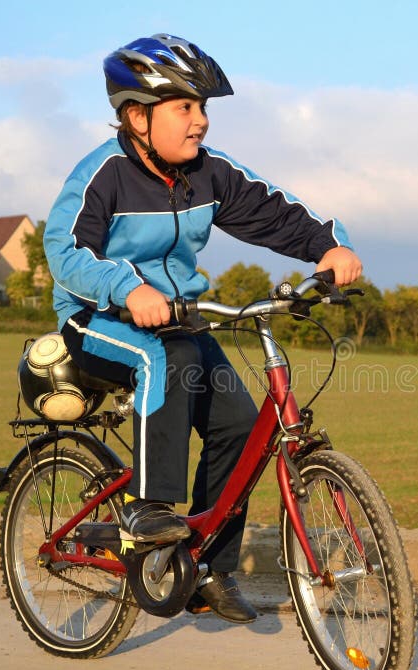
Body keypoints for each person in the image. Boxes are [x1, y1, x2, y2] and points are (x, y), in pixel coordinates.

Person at [43, 33, 362, 624]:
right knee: (159, 363)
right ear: (138, 116)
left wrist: (327, 246)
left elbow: (270, 212)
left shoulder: (207, 174)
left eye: (203, 108)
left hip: (178, 319)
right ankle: (150, 512)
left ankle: (207, 568)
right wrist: (127, 288)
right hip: (96, 319)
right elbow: (63, 252)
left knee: (242, 425)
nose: (201, 122)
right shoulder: (103, 175)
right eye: (185, 108)